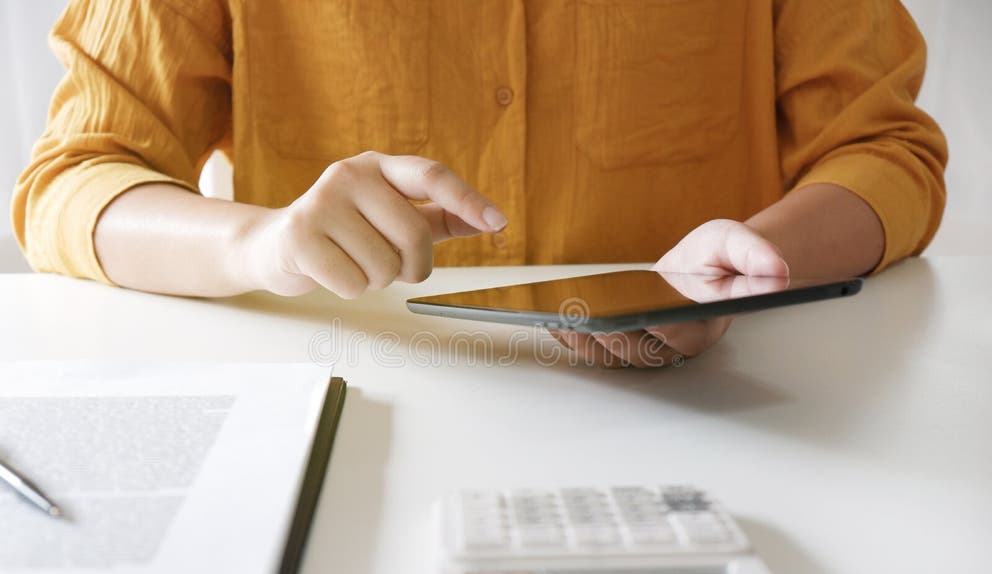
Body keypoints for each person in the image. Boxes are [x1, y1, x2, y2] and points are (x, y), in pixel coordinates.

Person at [11, 1, 946, 367]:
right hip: (335, 411)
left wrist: (766, 255)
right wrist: (255, 240)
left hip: (721, 416)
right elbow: (70, 181)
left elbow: (885, 149)